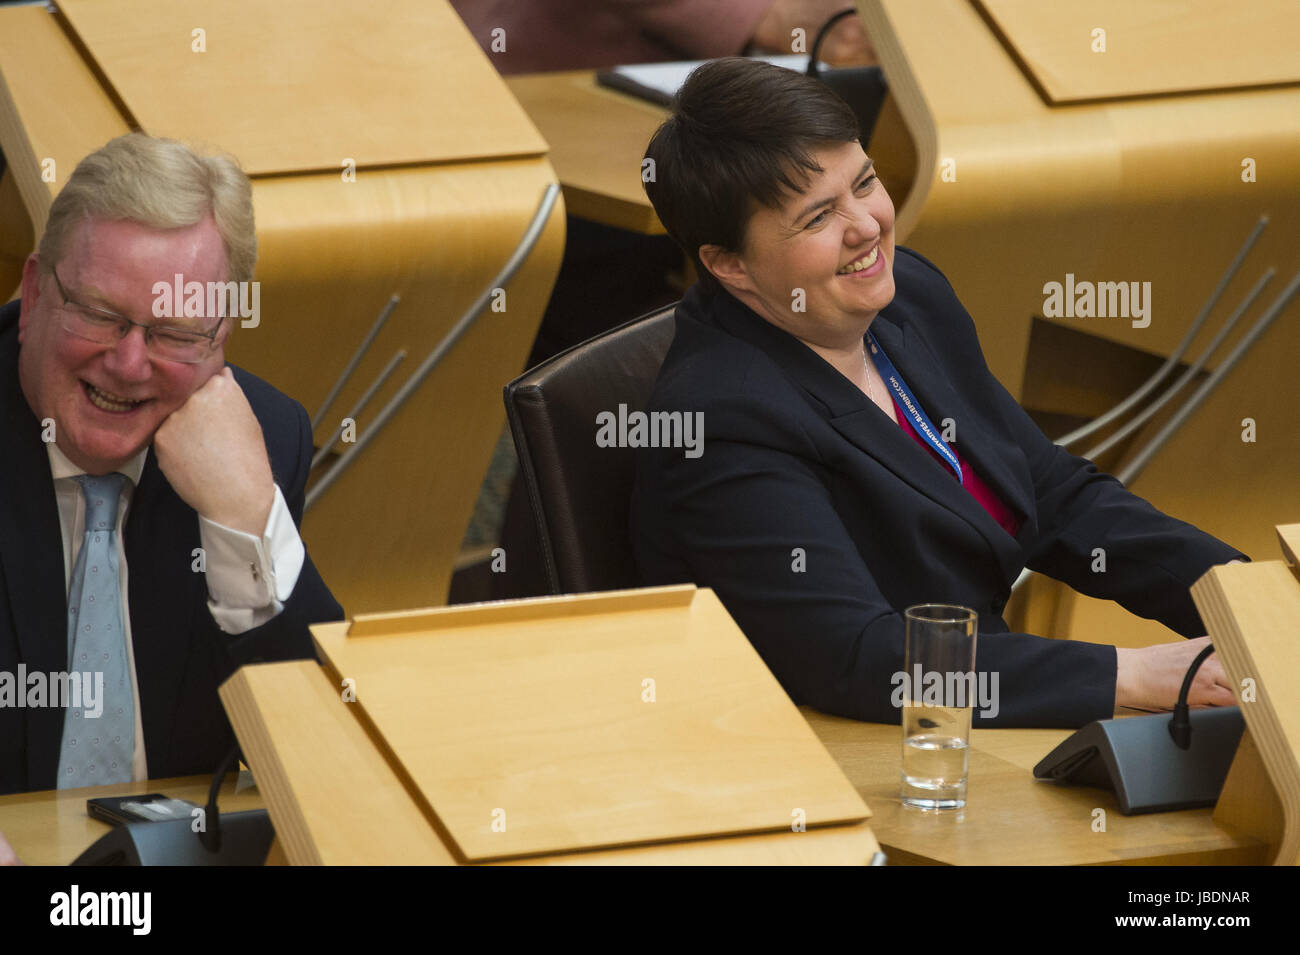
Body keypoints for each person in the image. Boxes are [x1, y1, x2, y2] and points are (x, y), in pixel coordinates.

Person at [630, 58, 1246, 728]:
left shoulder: (907, 299)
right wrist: (1134, 675)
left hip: (977, 711)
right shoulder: (723, 421)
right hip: (860, 749)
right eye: (818, 218)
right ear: (729, 264)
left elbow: (1054, 495)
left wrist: (1248, 600)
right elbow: (860, 658)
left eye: (865, 183)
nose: (867, 226)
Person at [0, 134, 343, 813]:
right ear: (35, 294)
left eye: (175, 333)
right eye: (100, 314)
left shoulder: (261, 441)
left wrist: (248, 517)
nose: (129, 364)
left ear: (222, 339)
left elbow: (328, 756)